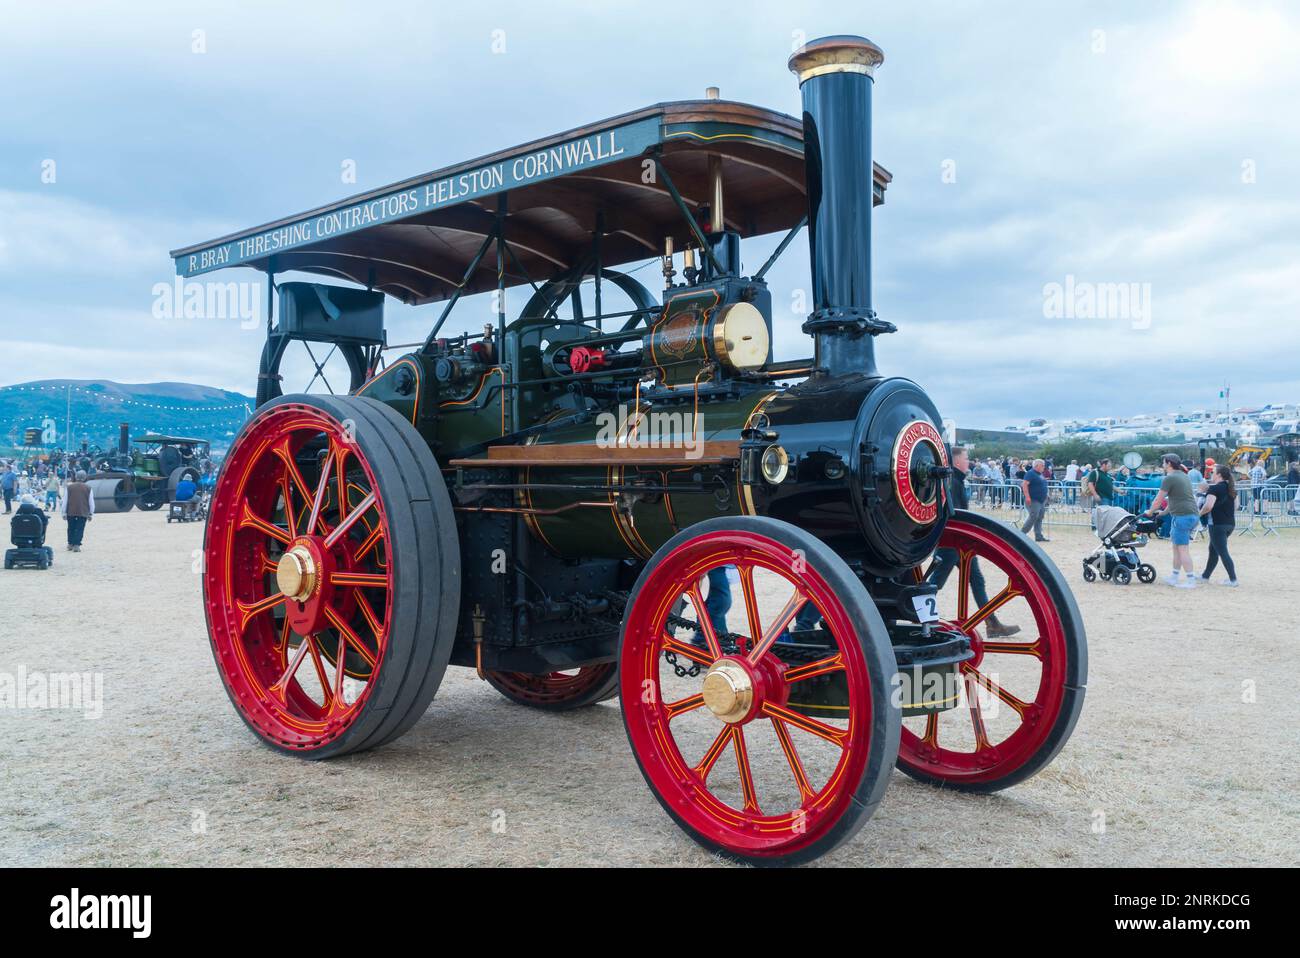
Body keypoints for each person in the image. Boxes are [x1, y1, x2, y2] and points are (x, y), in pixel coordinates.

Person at [927, 447, 1021, 637]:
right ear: (956, 462)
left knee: (976, 582)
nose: (969, 461)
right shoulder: (952, 482)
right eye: (966, 458)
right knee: (934, 585)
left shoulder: (956, 481)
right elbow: (953, 515)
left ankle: (992, 623)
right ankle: (920, 621)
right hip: (952, 544)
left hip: (960, 544)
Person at [1144, 454, 1199, 588]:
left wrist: (1150, 512)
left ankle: (1191, 580)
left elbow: (1159, 499)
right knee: (1177, 548)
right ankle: (1174, 577)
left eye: (1163, 462)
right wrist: (1163, 513)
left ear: (1168, 463)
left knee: (1183, 549)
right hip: (1191, 515)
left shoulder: (1170, 478)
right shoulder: (1183, 475)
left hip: (1182, 517)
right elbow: (1177, 499)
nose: (1162, 464)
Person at [1199, 464, 1238, 586]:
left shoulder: (1214, 489)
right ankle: (1205, 576)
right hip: (1229, 524)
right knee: (1213, 550)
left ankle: (1233, 580)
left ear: (1219, 475)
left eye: (1213, 472)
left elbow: (1208, 506)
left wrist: (1198, 514)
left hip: (1217, 524)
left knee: (1222, 552)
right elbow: (1236, 506)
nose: (1211, 474)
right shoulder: (1230, 488)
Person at [62, 469, 95, 552]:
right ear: (85, 478)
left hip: (70, 511)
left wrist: (63, 512)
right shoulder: (88, 488)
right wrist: (91, 513)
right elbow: (91, 502)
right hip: (83, 511)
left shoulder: (69, 487)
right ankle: (77, 545)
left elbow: (65, 501)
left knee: (71, 528)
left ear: (76, 477)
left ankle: (70, 544)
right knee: (80, 528)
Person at [1020, 458, 1051, 542]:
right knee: (1033, 516)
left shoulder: (1040, 474)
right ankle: (1021, 534)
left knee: (1040, 517)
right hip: (1033, 499)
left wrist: (1046, 494)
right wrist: (1027, 497)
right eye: (1042, 465)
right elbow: (1024, 485)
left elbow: (1042, 485)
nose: (1044, 467)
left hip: (1041, 500)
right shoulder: (1030, 473)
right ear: (1037, 465)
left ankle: (1038, 536)